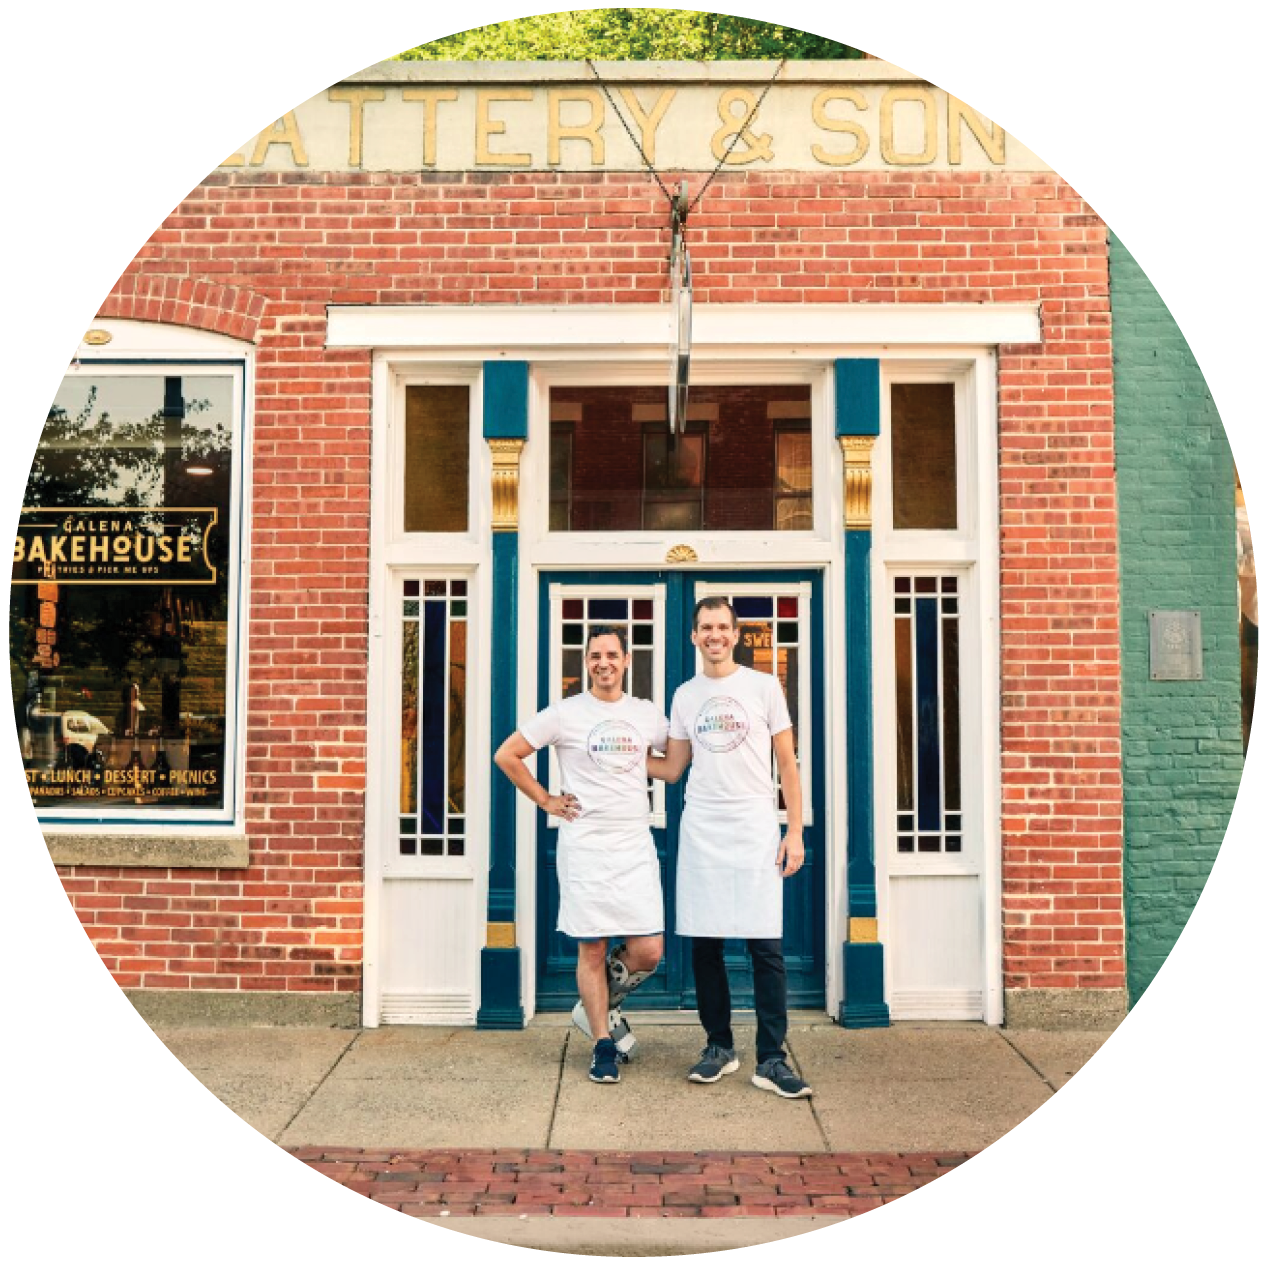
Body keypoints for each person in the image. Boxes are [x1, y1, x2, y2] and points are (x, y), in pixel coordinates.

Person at [648, 597, 813, 1099]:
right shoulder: (685, 695)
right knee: (706, 944)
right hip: (702, 828)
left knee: (766, 947)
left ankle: (771, 1059)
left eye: (722, 626)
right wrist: (615, 753)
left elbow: (787, 763)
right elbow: (673, 768)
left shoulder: (763, 686)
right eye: (705, 627)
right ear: (694, 636)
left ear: (736, 634)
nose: (714, 635)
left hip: (754, 826)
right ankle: (719, 1046)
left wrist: (795, 830)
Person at [494, 626, 667, 1084]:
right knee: (591, 946)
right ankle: (601, 1043)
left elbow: (671, 764)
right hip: (586, 843)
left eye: (612, 654)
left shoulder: (646, 714)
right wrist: (546, 799)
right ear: (586, 661)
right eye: (595, 655)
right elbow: (507, 755)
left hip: (633, 840)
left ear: (627, 660)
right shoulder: (565, 713)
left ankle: (596, 1005)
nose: (603, 662)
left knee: (649, 950)